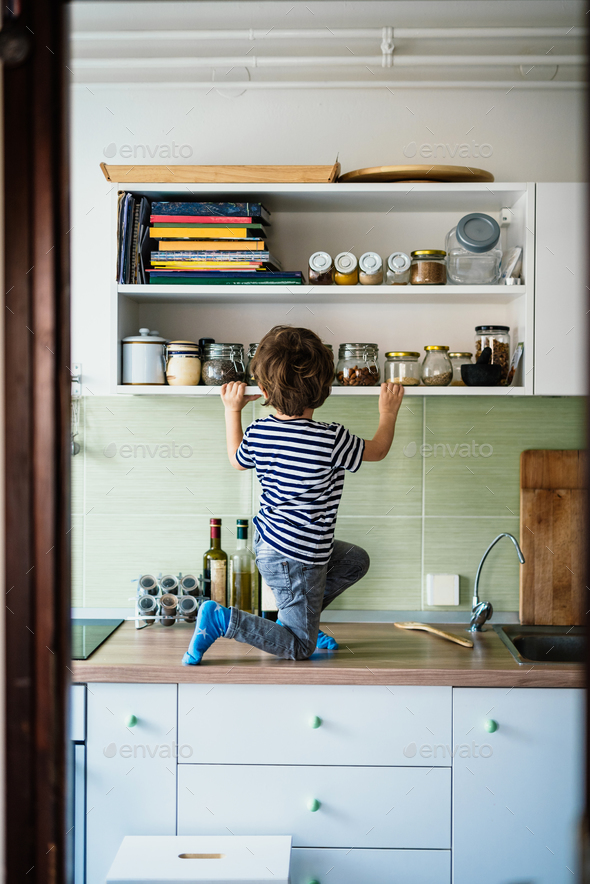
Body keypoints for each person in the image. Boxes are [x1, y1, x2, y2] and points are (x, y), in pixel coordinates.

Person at [183, 325, 404, 665]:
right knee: (300, 648)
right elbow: (378, 450)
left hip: (274, 545)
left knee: (355, 561)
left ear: (265, 388)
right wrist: (388, 412)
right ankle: (223, 621)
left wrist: (233, 409)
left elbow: (236, 459)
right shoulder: (331, 439)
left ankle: (303, 623)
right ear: (324, 387)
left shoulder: (260, 432)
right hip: (296, 557)